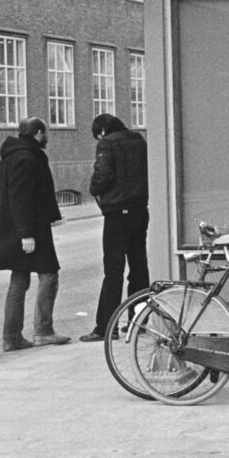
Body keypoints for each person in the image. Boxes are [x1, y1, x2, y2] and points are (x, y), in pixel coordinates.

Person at [0, 117, 70, 351]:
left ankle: (11, 337)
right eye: (46, 133)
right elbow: (21, 197)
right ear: (38, 133)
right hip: (29, 230)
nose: (47, 137)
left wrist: (52, 217)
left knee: (19, 280)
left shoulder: (11, 156)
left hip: (17, 228)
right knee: (49, 276)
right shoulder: (26, 158)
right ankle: (43, 331)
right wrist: (26, 233)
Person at [79, 113, 149, 342]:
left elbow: (102, 175)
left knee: (113, 271)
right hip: (139, 209)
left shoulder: (106, 143)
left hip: (117, 214)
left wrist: (94, 189)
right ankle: (138, 321)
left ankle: (107, 326)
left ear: (101, 131)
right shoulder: (139, 140)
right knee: (139, 267)